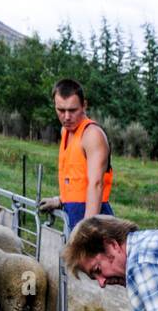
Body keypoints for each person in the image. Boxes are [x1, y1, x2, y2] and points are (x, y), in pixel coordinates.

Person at [39, 79, 114, 232]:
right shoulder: (65, 131)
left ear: (84, 105)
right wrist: (59, 200)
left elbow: (96, 184)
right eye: (61, 110)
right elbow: (76, 177)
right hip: (73, 214)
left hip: (94, 219)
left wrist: (86, 231)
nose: (66, 117)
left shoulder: (92, 135)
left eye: (72, 110)